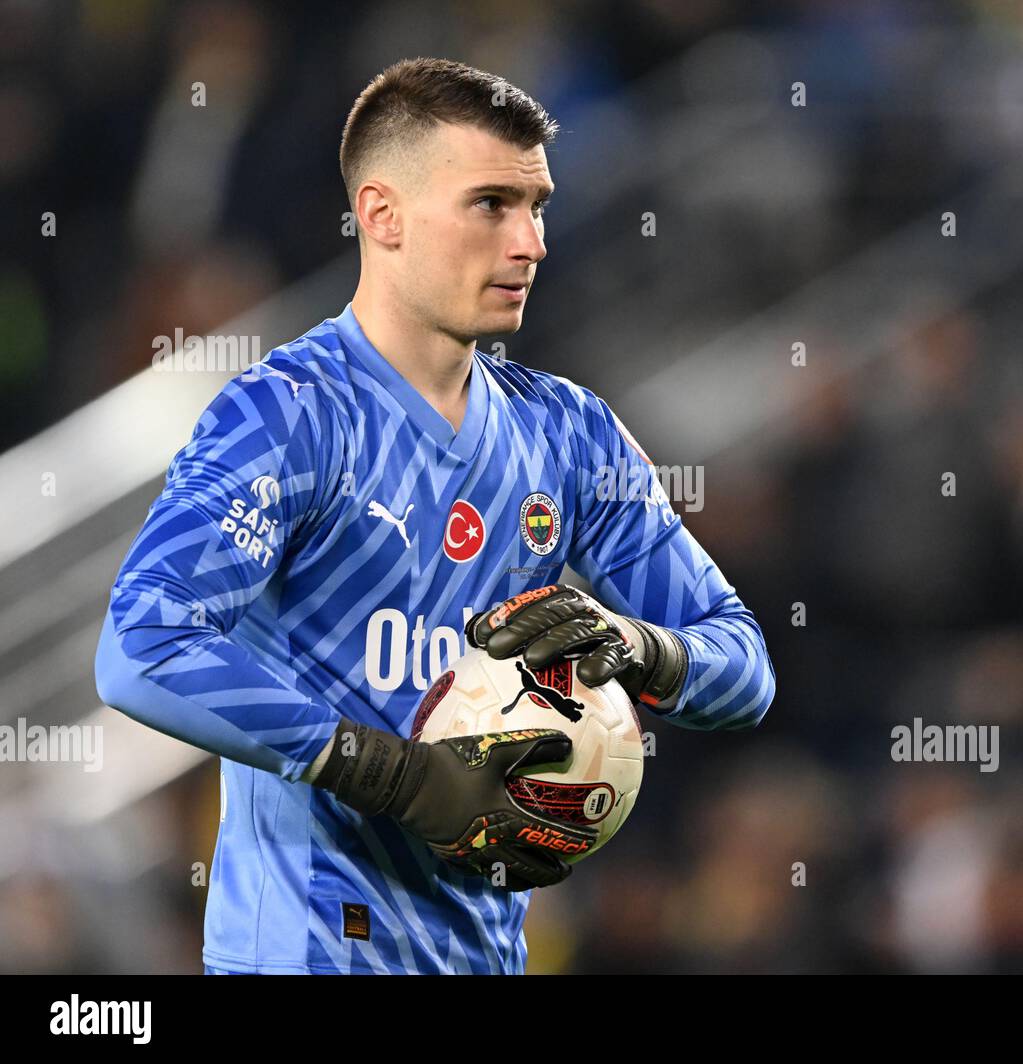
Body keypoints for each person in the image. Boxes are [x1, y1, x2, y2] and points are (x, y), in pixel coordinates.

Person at [95, 57, 775, 975]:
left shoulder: (570, 433)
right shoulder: (287, 414)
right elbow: (143, 642)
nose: (530, 242)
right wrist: (388, 773)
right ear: (383, 215)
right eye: (492, 204)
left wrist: (640, 645)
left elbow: (744, 662)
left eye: (537, 206)